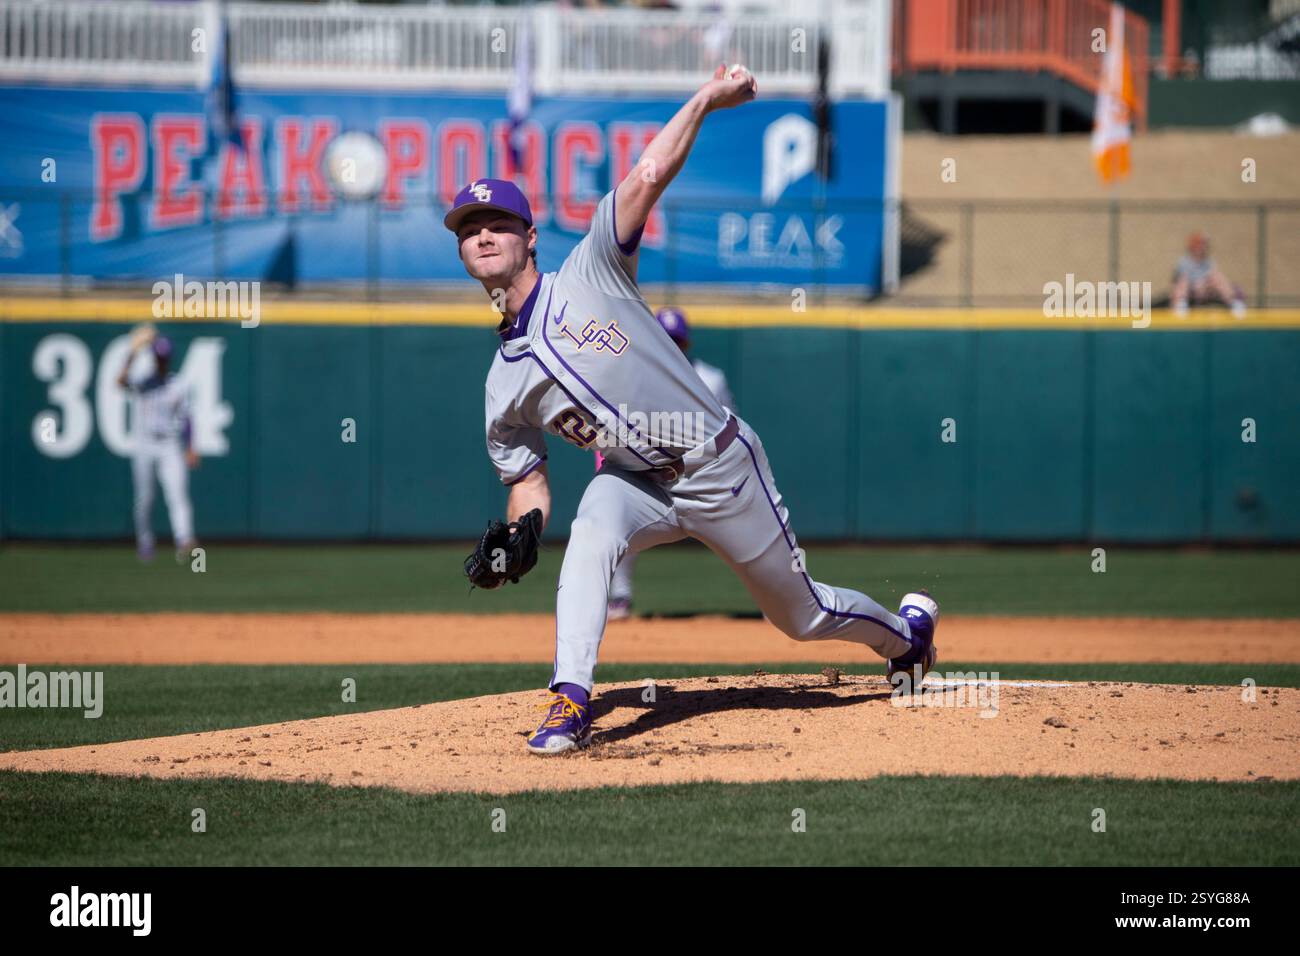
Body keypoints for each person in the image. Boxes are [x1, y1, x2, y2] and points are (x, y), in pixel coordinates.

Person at [446, 65, 938, 755]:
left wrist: (706, 98)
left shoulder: (592, 269)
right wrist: (521, 532)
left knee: (800, 617)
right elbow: (527, 481)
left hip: (716, 463)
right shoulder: (502, 386)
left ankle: (907, 637)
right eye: (470, 229)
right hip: (634, 482)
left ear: (530, 236)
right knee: (590, 533)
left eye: (498, 221)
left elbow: (646, 174)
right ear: (462, 252)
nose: (484, 235)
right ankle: (570, 699)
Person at [600, 306, 735, 620]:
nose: (672, 346)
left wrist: (694, 462)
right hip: (650, 471)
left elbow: (731, 430)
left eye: (678, 340)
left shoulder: (710, 379)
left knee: (749, 529)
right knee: (617, 521)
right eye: (666, 339)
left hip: (700, 471)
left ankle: (781, 596)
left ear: (686, 343)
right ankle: (620, 596)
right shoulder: (631, 377)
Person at [117, 327, 199, 563]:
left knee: (178, 494)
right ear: (153, 357)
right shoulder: (144, 382)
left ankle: (185, 541)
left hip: (169, 444)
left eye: (164, 357)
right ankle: (145, 542)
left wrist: (191, 447)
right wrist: (132, 352)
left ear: (169, 359)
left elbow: (187, 418)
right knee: (145, 498)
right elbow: (120, 381)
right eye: (158, 357)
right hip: (144, 445)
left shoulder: (177, 384)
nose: (161, 361)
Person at [1172, 232, 1246, 319]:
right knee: (1183, 282)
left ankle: (1235, 304)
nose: (1203, 248)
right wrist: (1197, 286)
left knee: (1217, 277)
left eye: (1204, 245)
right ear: (1194, 247)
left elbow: (1211, 277)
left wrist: (1205, 285)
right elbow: (1178, 282)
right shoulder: (1184, 262)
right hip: (1190, 291)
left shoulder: (1209, 262)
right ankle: (1181, 306)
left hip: (1206, 289)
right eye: (1201, 245)